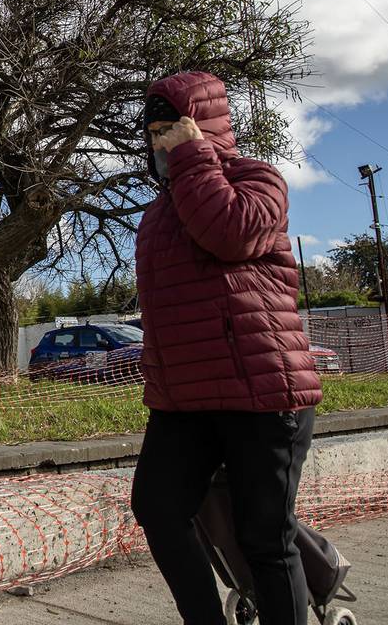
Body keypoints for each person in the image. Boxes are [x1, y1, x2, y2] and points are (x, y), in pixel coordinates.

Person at [130, 71, 323, 625]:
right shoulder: (157, 214)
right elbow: (166, 314)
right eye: (154, 131)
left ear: (204, 125)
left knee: (264, 537)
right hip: (185, 401)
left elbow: (229, 233)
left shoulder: (258, 181)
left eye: (172, 127)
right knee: (159, 508)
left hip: (263, 392)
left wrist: (192, 156)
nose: (161, 140)